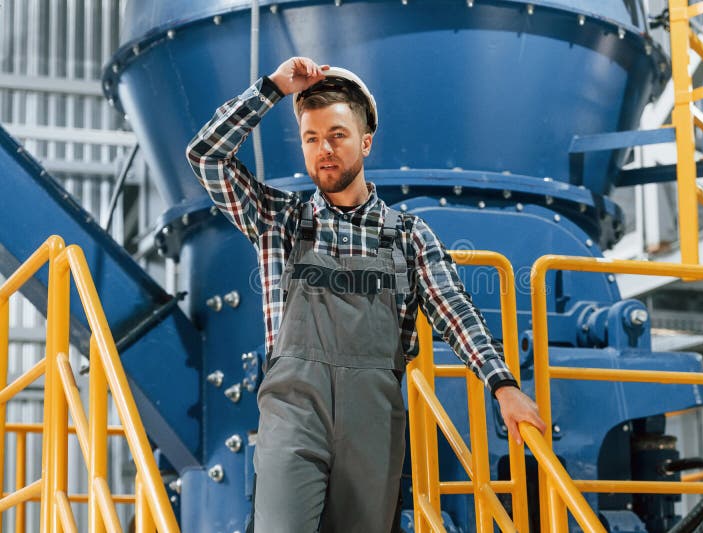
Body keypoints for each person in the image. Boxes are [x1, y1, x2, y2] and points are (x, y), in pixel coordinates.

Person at [186, 56, 546, 533]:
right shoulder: (279, 221)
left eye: (337, 135)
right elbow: (206, 156)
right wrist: (273, 88)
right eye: (311, 139)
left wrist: (504, 386)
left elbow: (455, 310)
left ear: (366, 141)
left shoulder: (408, 236)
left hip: (373, 424)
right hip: (294, 413)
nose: (324, 150)